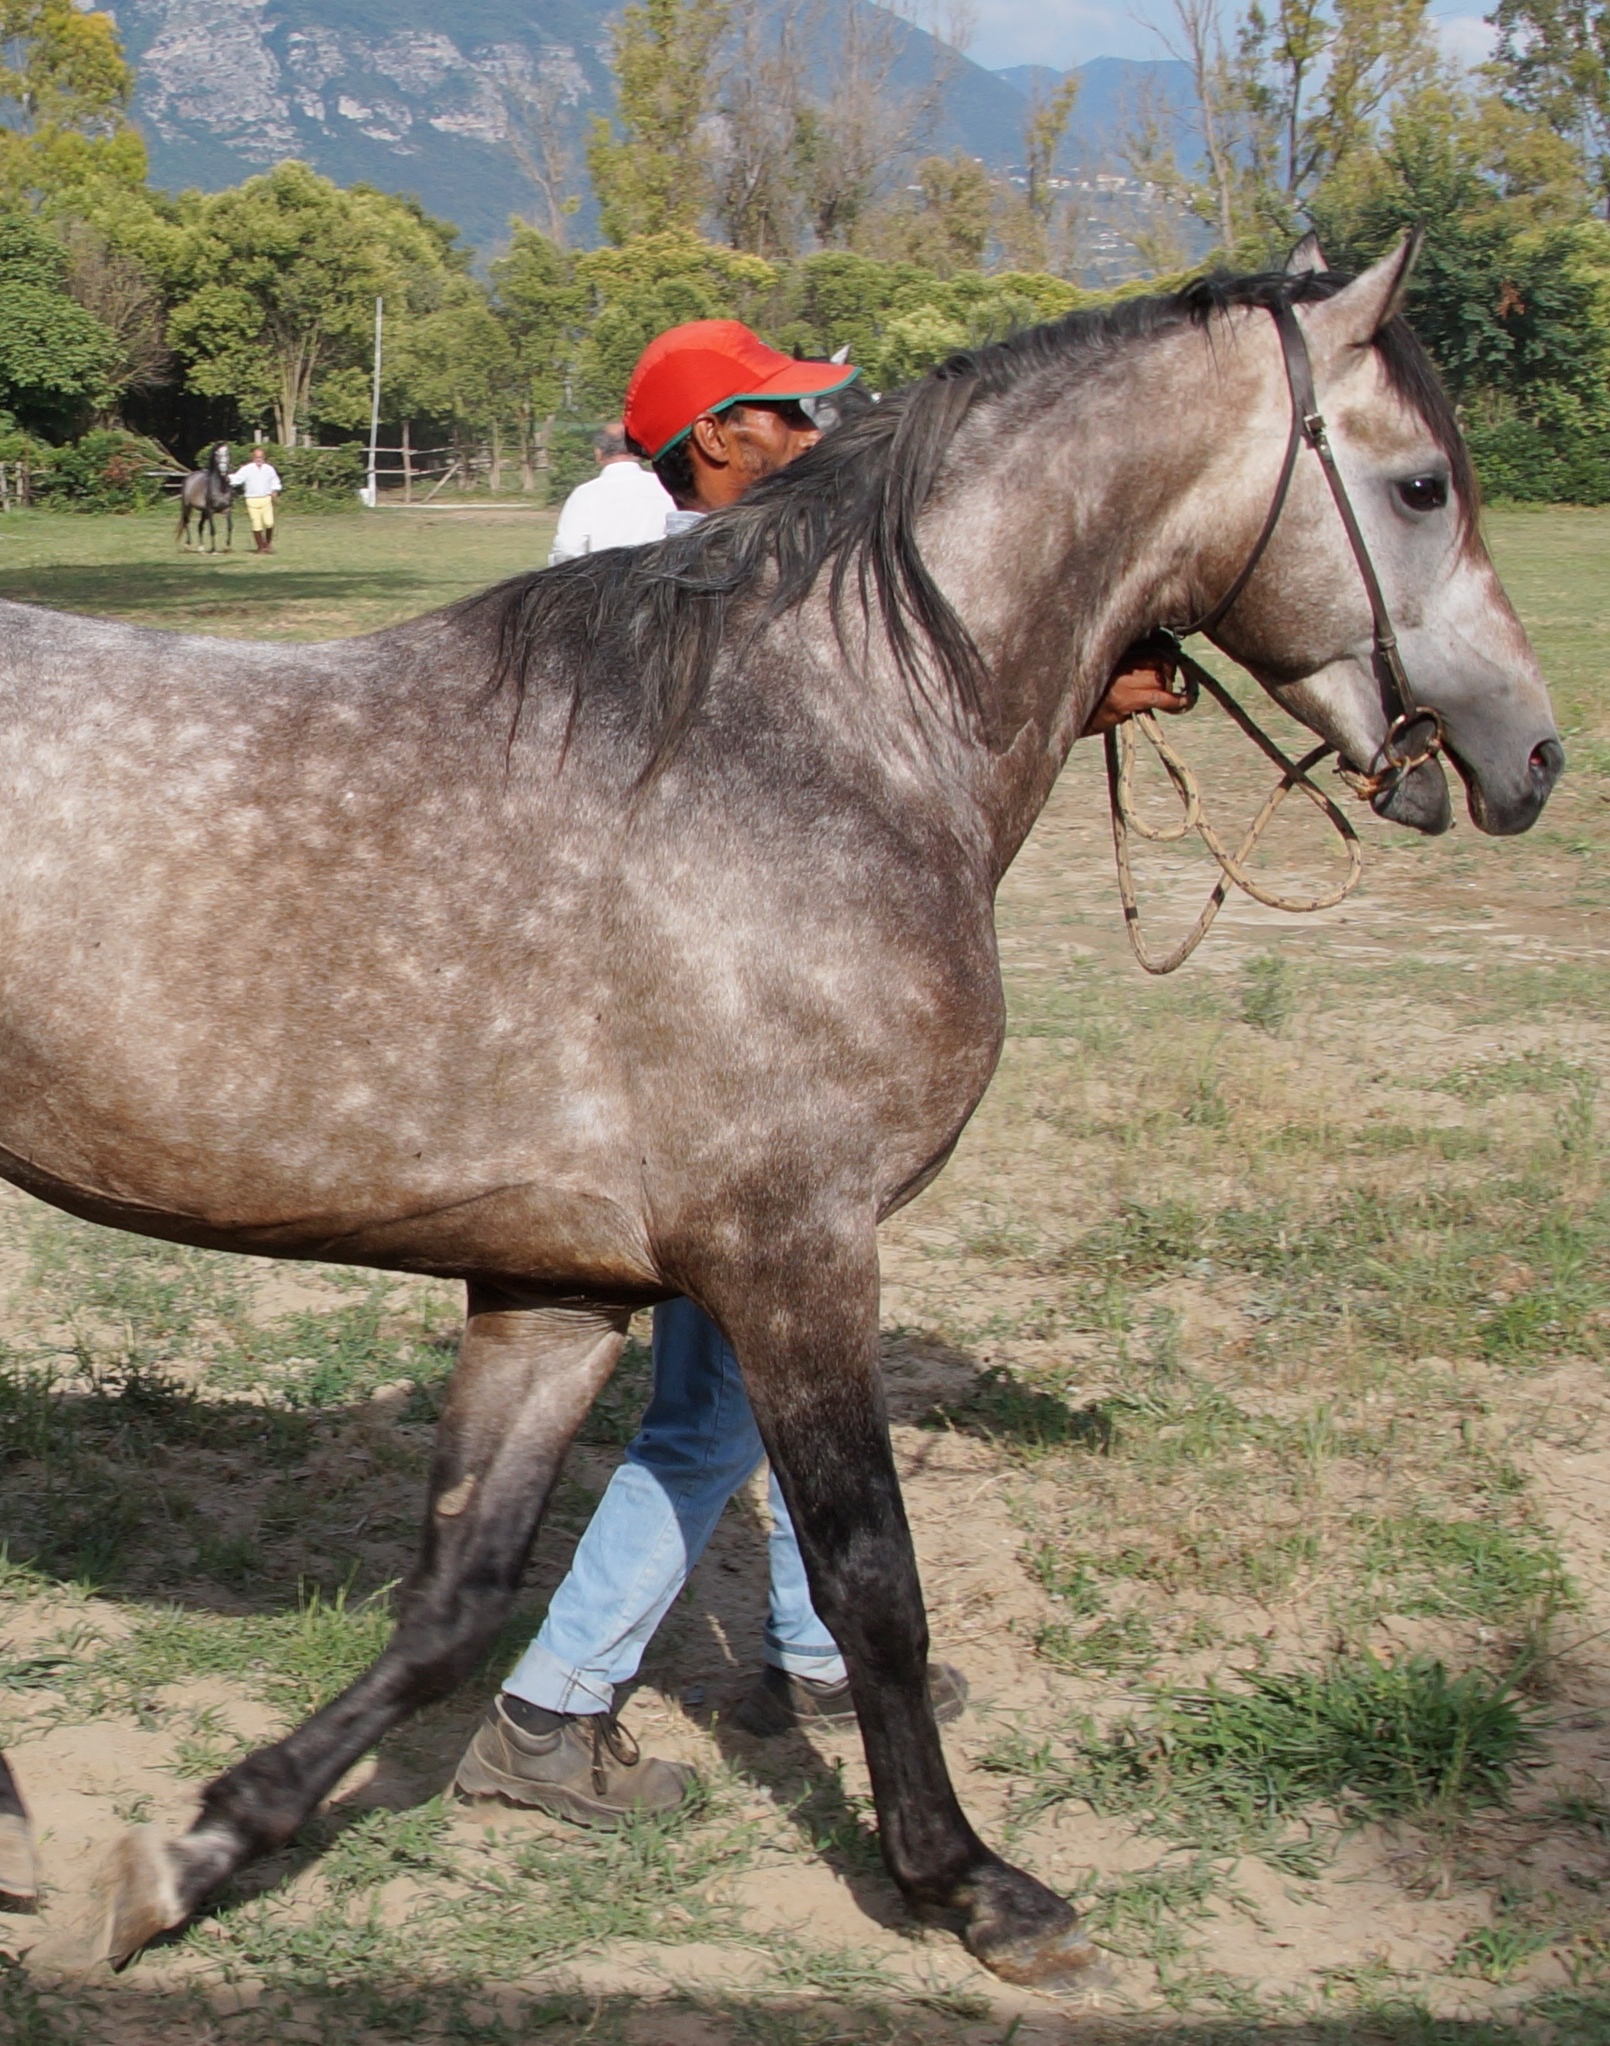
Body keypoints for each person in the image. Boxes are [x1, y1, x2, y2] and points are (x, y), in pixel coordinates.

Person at [459, 320, 1183, 1828]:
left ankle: (803, 1649)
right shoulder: (716, 604)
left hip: (712, 1077)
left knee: (785, 1362)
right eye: (789, 410)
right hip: (725, 1080)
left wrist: (1073, 692)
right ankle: (548, 1706)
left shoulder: (757, 583)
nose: (821, 423)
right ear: (717, 440)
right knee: (725, 1408)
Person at [549, 426, 673, 563]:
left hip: (605, 579)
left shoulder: (586, 494)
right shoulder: (665, 485)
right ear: (637, 452)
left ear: (598, 453)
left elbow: (568, 549)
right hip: (656, 575)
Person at [227, 447, 285, 554]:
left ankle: (267, 544)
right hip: (252, 500)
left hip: (266, 499)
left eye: (261, 457)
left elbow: (275, 480)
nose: (259, 459)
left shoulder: (269, 469)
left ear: (264, 458)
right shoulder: (247, 469)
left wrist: (275, 490)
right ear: (253, 458)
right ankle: (260, 547)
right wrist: (227, 478)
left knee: (269, 523)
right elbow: (237, 478)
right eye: (257, 457)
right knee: (256, 524)